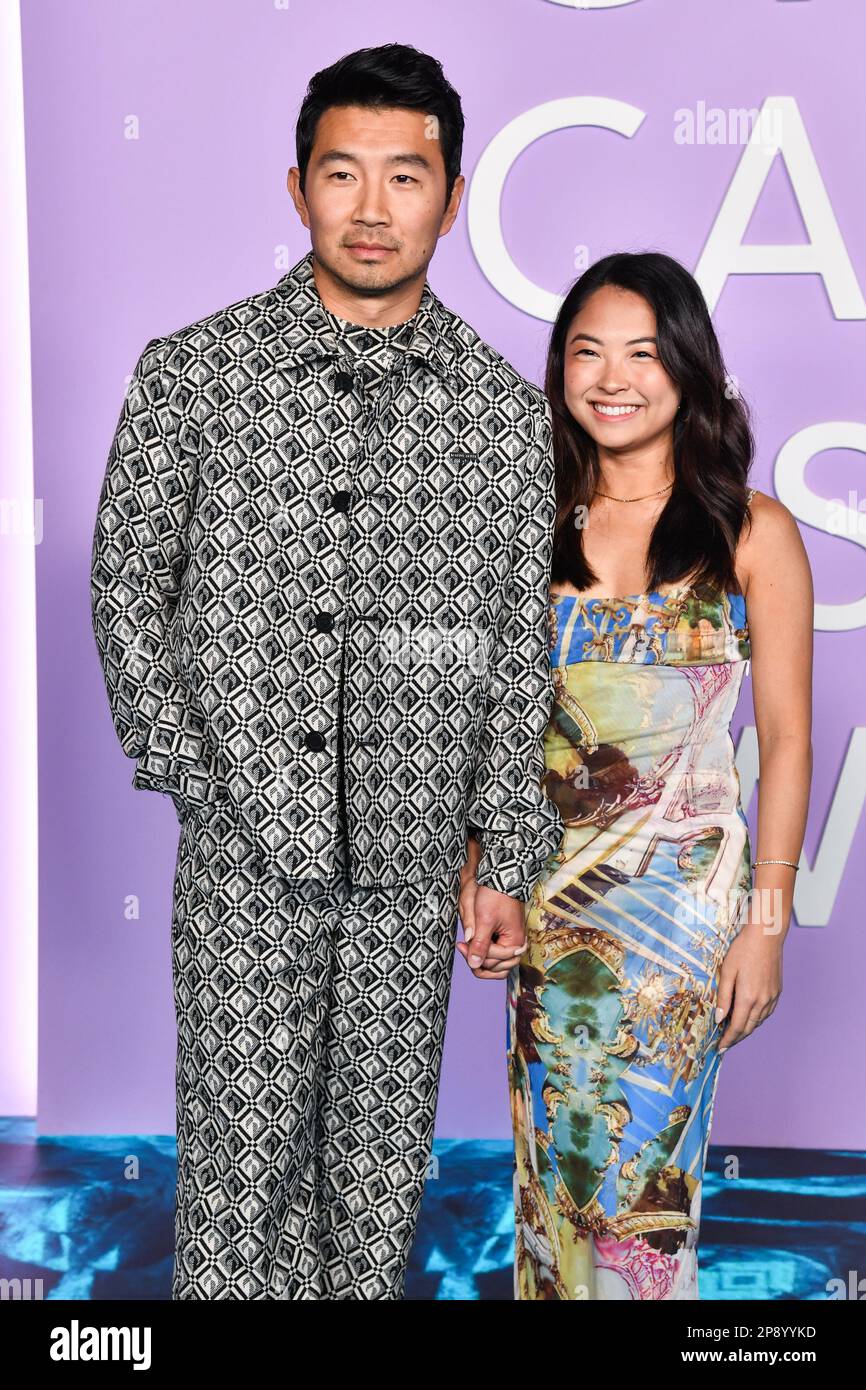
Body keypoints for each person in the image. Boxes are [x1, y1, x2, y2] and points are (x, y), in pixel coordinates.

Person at [89, 43, 563, 1300]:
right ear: (295, 187)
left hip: (412, 876)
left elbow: (518, 644)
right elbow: (127, 584)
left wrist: (502, 854)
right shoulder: (193, 375)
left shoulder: (503, 418)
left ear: (450, 198)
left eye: (403, 178)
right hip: (245, 853)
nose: (369, 208)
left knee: (374, 1189)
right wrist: (202, 771)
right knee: (239, 1187)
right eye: (341, 174)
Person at [459, 252, 813, 1300]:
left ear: (686, 370)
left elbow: (786, 739)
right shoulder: (523, 525)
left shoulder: (751, 531)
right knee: (555, 1188)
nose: (610, 378)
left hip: (681, 927)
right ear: (560, 370)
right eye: (585, 353)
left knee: (645, 1206)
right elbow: (492, 731)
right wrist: (477, 877)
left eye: (640, 354)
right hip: (549, 910)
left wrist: (765, 921)